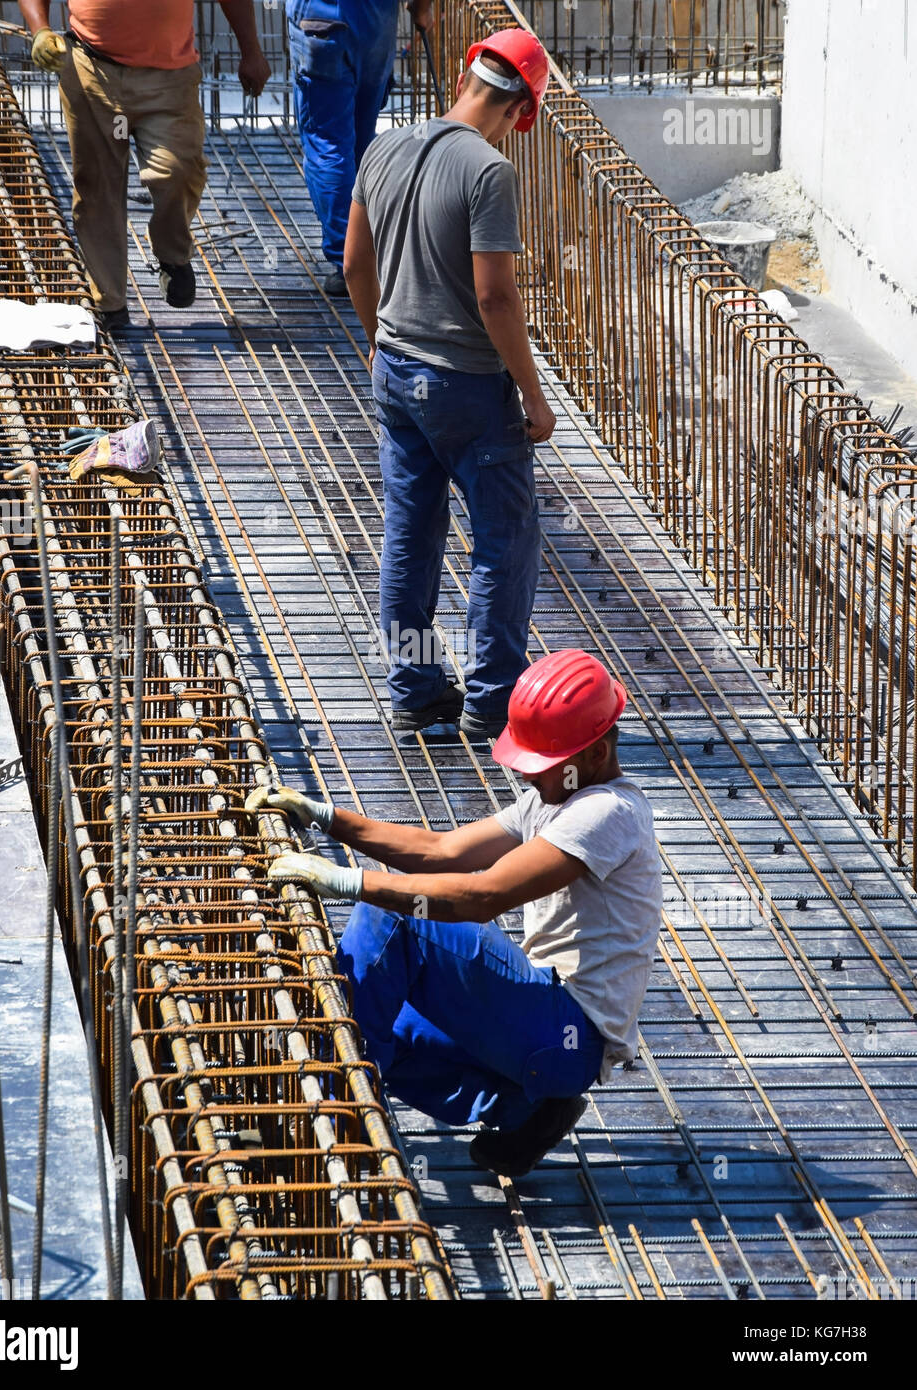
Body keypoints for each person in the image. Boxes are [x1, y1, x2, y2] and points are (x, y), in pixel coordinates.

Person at [251, 650, 663, 1178]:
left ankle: (333, 1115)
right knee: (384, 1023)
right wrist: (327, 818)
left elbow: (484, 895)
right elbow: (442, 852)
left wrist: (345, 881)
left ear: (595, 754)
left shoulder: (608, 812)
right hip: (541, 1033)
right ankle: (526, 1110)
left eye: (539, 765)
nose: (524, 774)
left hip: (567, 1032)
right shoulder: (555, 795)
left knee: (395, 917)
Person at [344, 29, 557, 740]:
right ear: (521, 111)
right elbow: (495, 298)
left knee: (410, 535)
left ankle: (416, 689)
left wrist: (379, 341)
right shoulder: (489, 172)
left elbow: (353, 266)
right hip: (467, 385)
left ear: (467, 76)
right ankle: (492, 702)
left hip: (397, 374)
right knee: (503, 541)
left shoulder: (382, 147)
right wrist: (532, 392)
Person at [19, 1, 271, 331]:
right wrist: (40, 30)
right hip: (91, 68)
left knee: (178, 171)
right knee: (97, 189)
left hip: (169, 78)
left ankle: (172, 252)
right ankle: (110, 303)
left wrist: (251, 50)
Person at [285, 0, 433, 297]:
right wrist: (422, 6)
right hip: (375, 26)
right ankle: (369, 249)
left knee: (327, 142)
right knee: (360, 142)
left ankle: (349, 259)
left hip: (323, 23)